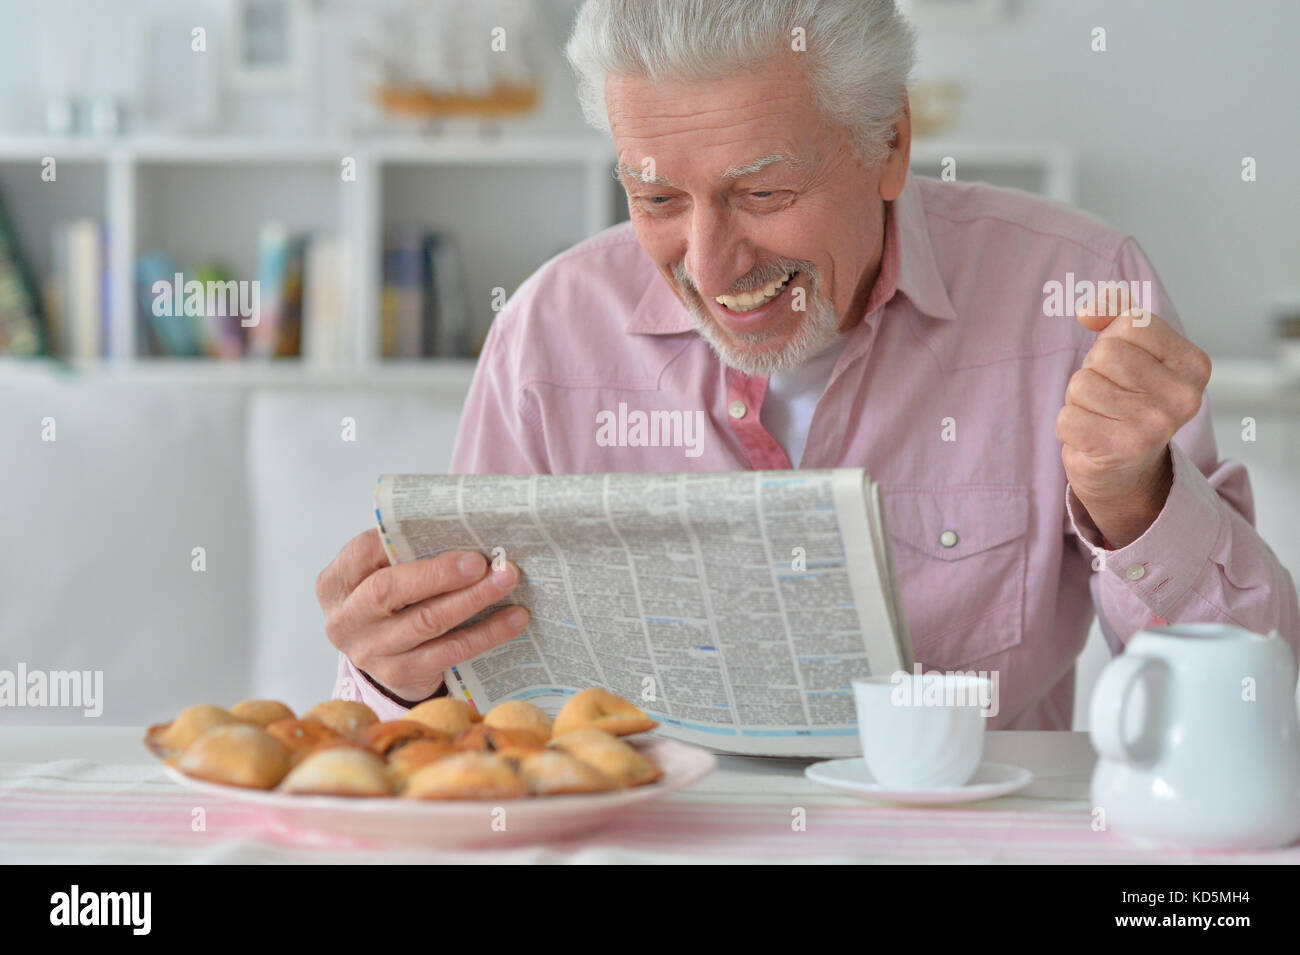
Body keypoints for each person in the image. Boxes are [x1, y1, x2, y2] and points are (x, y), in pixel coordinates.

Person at [315, 0, 1298, 729]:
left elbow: (1256, 701)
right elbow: (454, 736)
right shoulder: (548, 334)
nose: (706, 264)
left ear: (889, 143)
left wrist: (1133, 499)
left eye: (764, 191)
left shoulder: (1076, 290)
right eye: (655, 200)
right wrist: (395, 677)